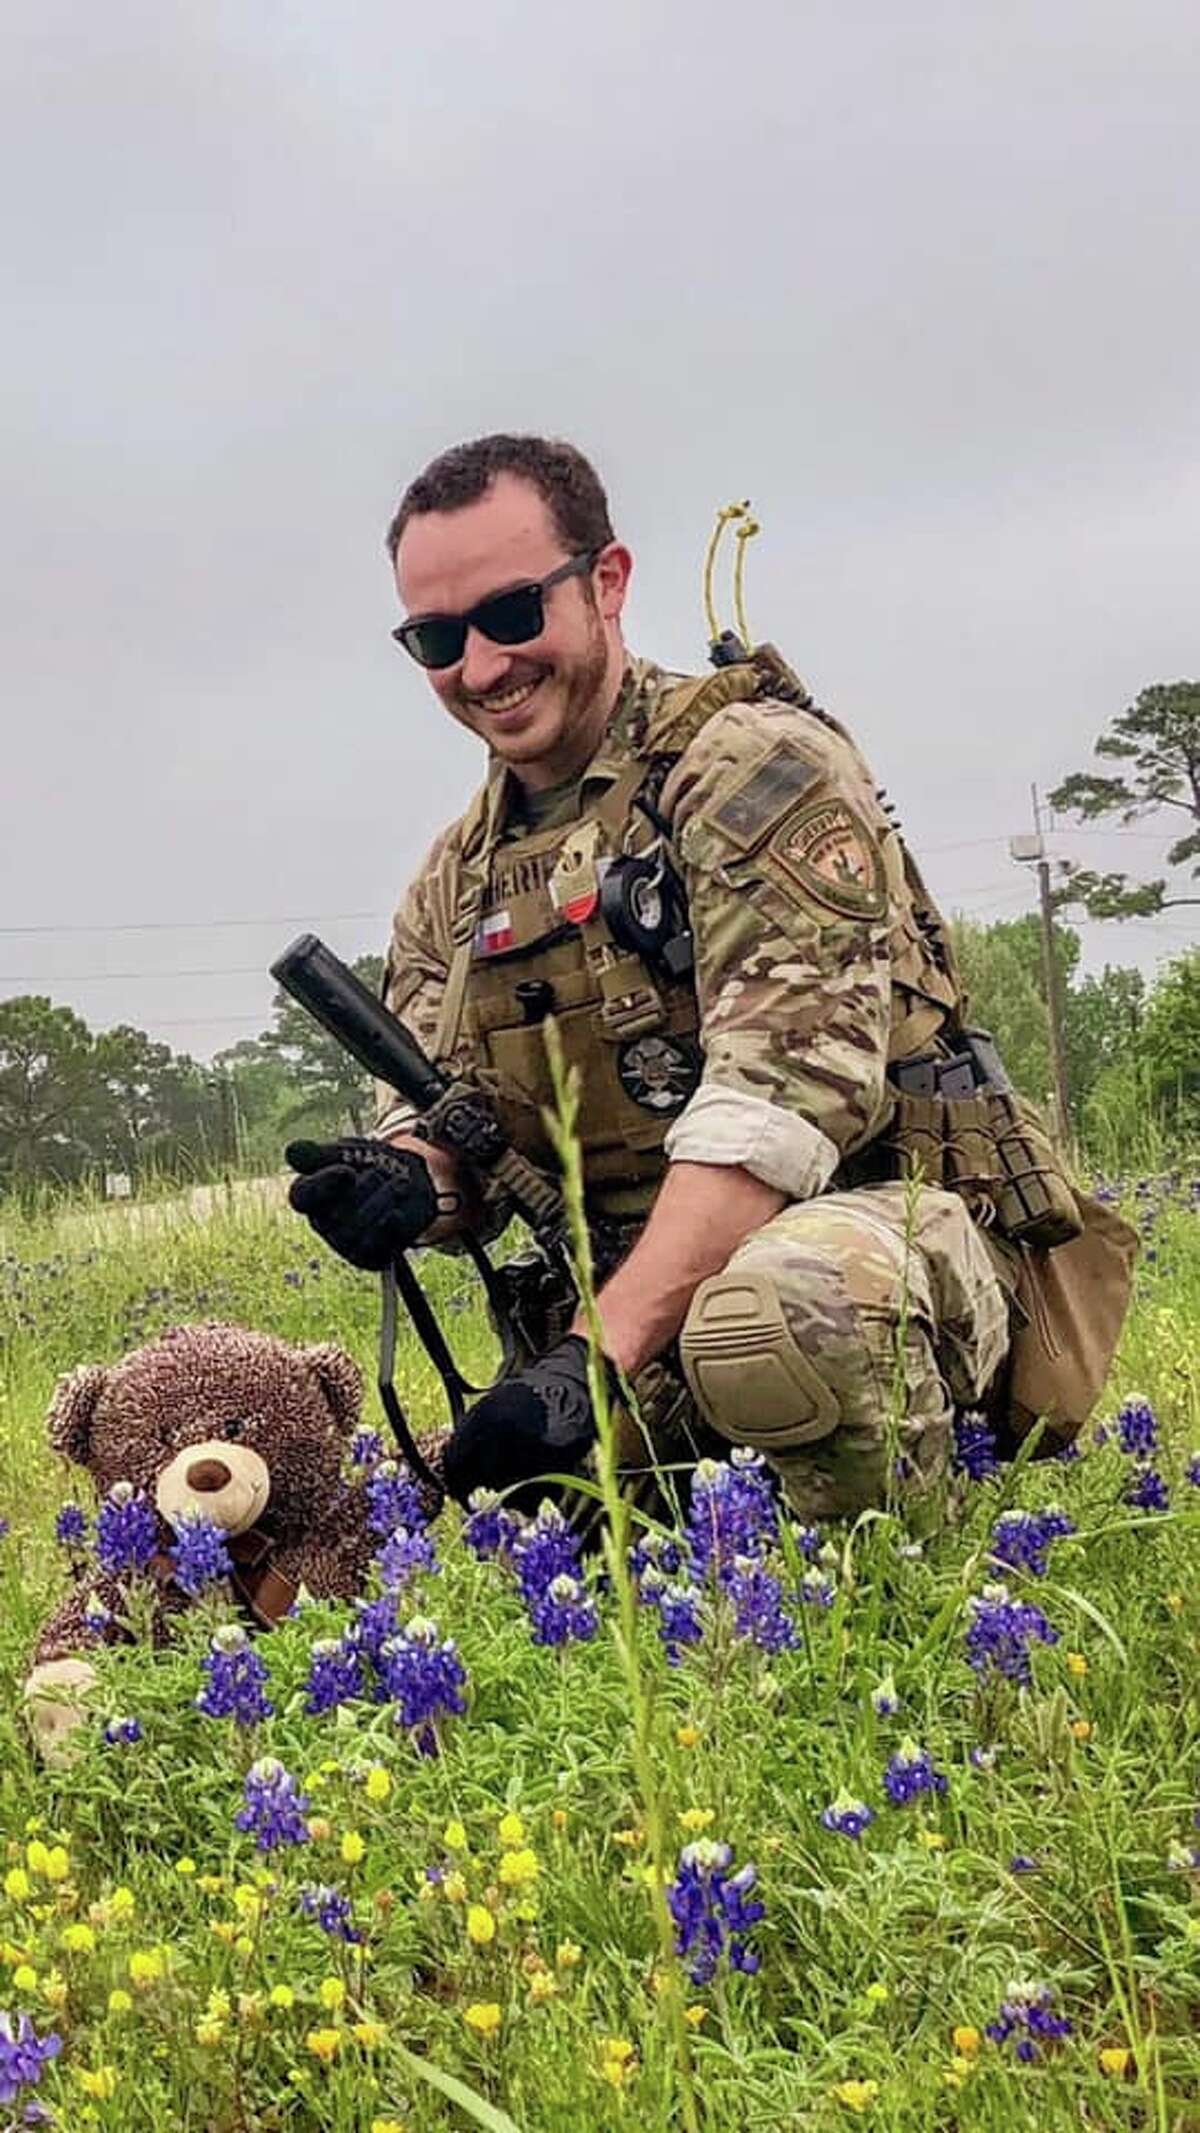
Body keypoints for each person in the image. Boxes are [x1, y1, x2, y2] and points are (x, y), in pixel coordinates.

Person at [286, 433, 1105, 1525]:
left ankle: (896, 1597)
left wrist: (593, 1360)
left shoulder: (749, 766)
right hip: (619, 1319)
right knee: (516, 1524)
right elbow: (445, 1128)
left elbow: (779, 1105)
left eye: (513, 614)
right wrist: (410, 1183)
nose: (481, 666)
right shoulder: (457, 876)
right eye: (437, 637)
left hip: (861, 1251)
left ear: (607, 583)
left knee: (768, 1313)